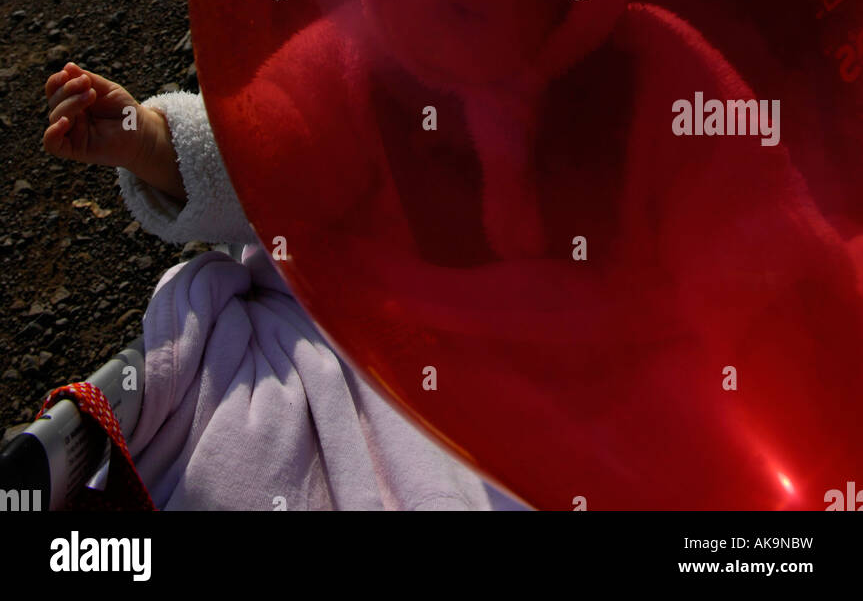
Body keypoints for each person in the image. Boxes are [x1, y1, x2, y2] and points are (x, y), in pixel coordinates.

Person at [43, 60, 528, 512]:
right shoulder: (364, 52)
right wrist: (147, 140)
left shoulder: (583, 108)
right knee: (233, 470)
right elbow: (271, 155)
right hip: (327, 323)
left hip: (514, 364)